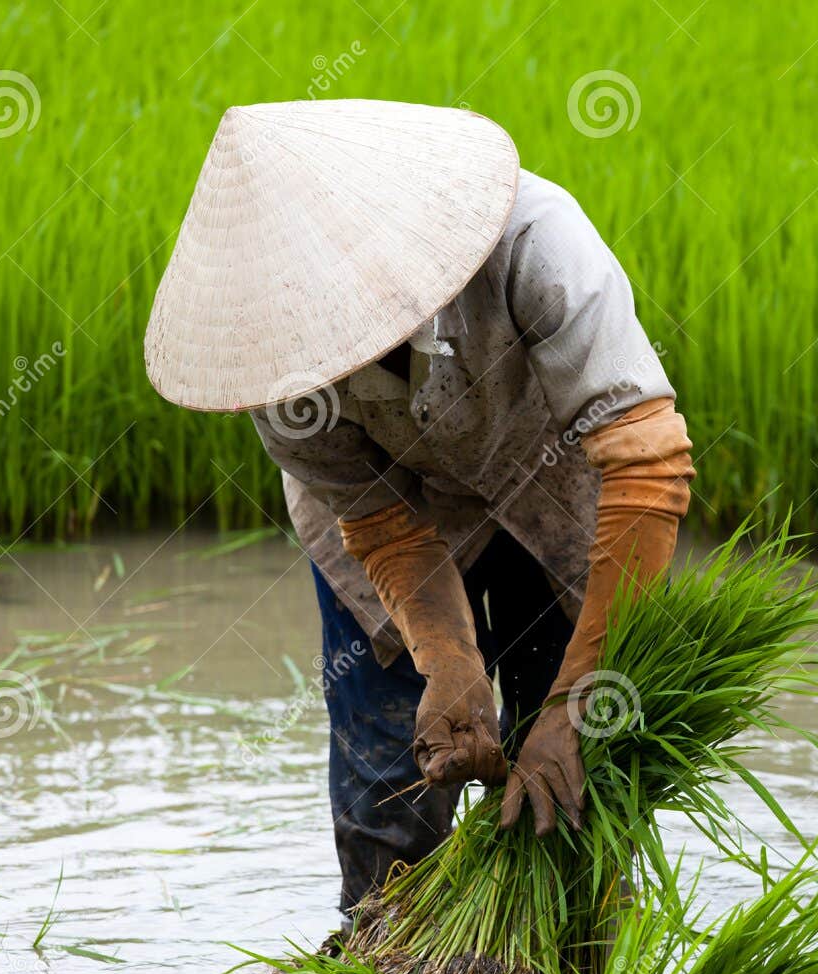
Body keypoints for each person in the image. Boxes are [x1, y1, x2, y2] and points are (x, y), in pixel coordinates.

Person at [144, 99, 693, 916]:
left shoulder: (536, 244)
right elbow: (380, 524)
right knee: (389, 788)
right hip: (388, 532)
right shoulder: (272, 360)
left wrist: (575, 705)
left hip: (553, 502)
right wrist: (448, 660)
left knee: (571, 796)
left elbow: (651, 466)